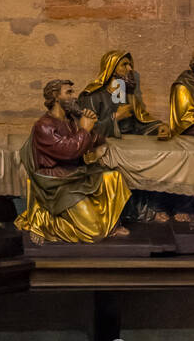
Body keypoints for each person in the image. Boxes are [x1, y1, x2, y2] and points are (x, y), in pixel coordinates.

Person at [15, 79, 130, 244]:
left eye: (72, 92)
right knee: (94, 233)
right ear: (55, 97)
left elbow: (96, 140)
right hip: (58, 183)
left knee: (114, 179)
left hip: (76, 175)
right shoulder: (44, 125)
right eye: (68, 92)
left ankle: (110, 225)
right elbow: (68, 151)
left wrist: (92, 125)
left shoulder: (72, 120)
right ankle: (45, 222)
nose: (73, 96)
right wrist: (85, 130)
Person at [78, 50, 171, 140]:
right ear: (112, 69)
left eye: (130, 65)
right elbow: (88, 131)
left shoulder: (129, 96)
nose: (130, 69)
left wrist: (160, 127)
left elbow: (141, 122)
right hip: (106, 146)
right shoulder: (93, 97)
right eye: (124, 65)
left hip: (129, 144)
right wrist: (116, 117)